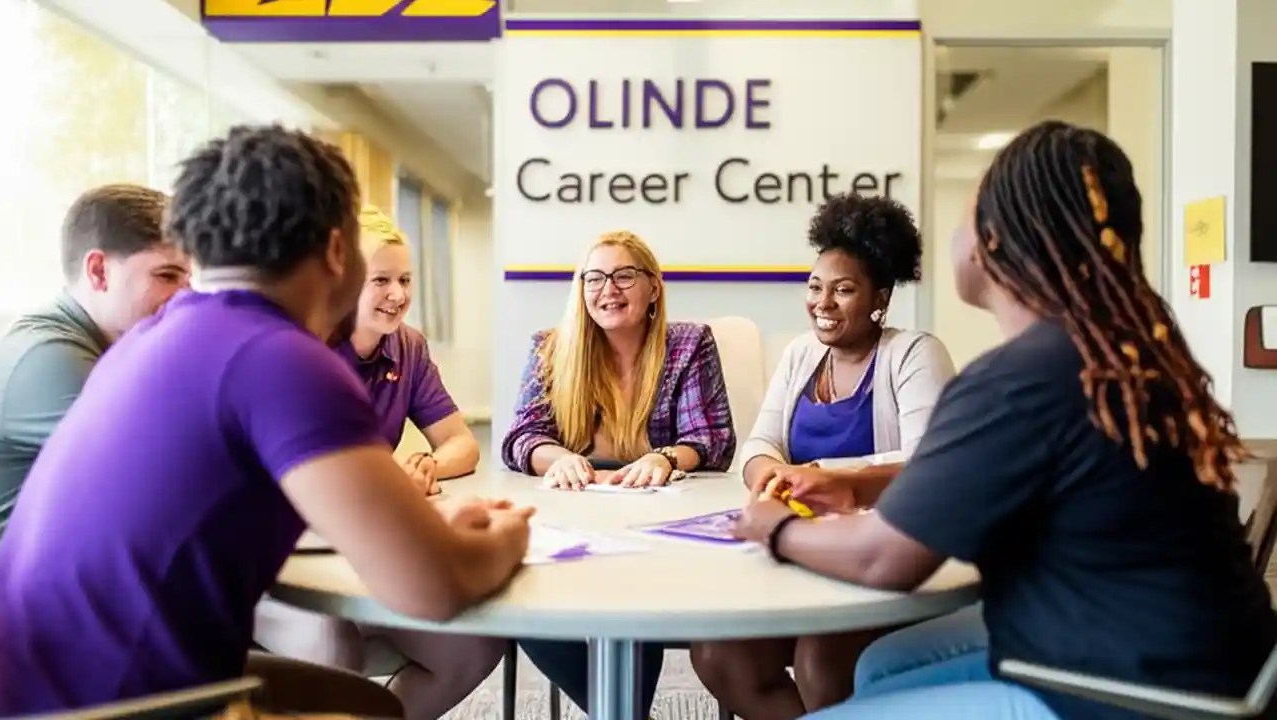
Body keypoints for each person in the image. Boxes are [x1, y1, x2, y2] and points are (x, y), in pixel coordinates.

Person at [733, 120, 1276, 720]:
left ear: (994, 240)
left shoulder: (1021, 378)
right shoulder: (1109, 353)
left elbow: (884, 559)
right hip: (1203, 663)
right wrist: (856, 483)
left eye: (966, 214)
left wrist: (773, 527)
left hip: (1124, 693)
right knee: (876, 667)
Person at [0, 125, 532, 717]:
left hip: (39, 686)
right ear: (337, 250)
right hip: (125, 707)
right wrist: (507, 539)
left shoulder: (146, 339)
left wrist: (422, 529)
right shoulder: (280, 358)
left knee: (369, 706)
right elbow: (433, 586)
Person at [691, 193, 955, 719]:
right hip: (797, 552)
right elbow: (759, 447)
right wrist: (772, 476)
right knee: (717, 653)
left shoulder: (914, 354)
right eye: (815, 287)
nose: (823, 303)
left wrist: (817, 475)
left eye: (844, 290)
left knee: (820, 658)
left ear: (880, 298)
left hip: (878, 555)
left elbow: (930, 467)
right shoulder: (800, 354)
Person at [254, 206, 501, 720]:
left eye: (405, 280)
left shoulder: (408, 347)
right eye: (381, 280)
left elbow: (461, 442)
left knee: (475, 647)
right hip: (288, 563)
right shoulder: (303, 345)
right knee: (333, 650)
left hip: (366, 552)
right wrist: (386, 480)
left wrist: (429, 465)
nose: (398, 294)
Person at [502, 229, 736, 717]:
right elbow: (521, 437)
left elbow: (712, 438)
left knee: (637, 595)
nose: (608, 288)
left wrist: (664, 458)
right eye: (594, 277)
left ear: (653, 286)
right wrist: (556, 456)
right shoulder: (550, 347)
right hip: (575, 518)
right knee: (517, 595)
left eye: (624, 275)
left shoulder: (689, 344)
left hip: (659, 526)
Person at [0, 183, 190, 538]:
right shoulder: (47, 357)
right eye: (167, 276)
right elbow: (161, 477)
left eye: (189, 279)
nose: (185, 297)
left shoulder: (107, 350)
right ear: (99, 271)